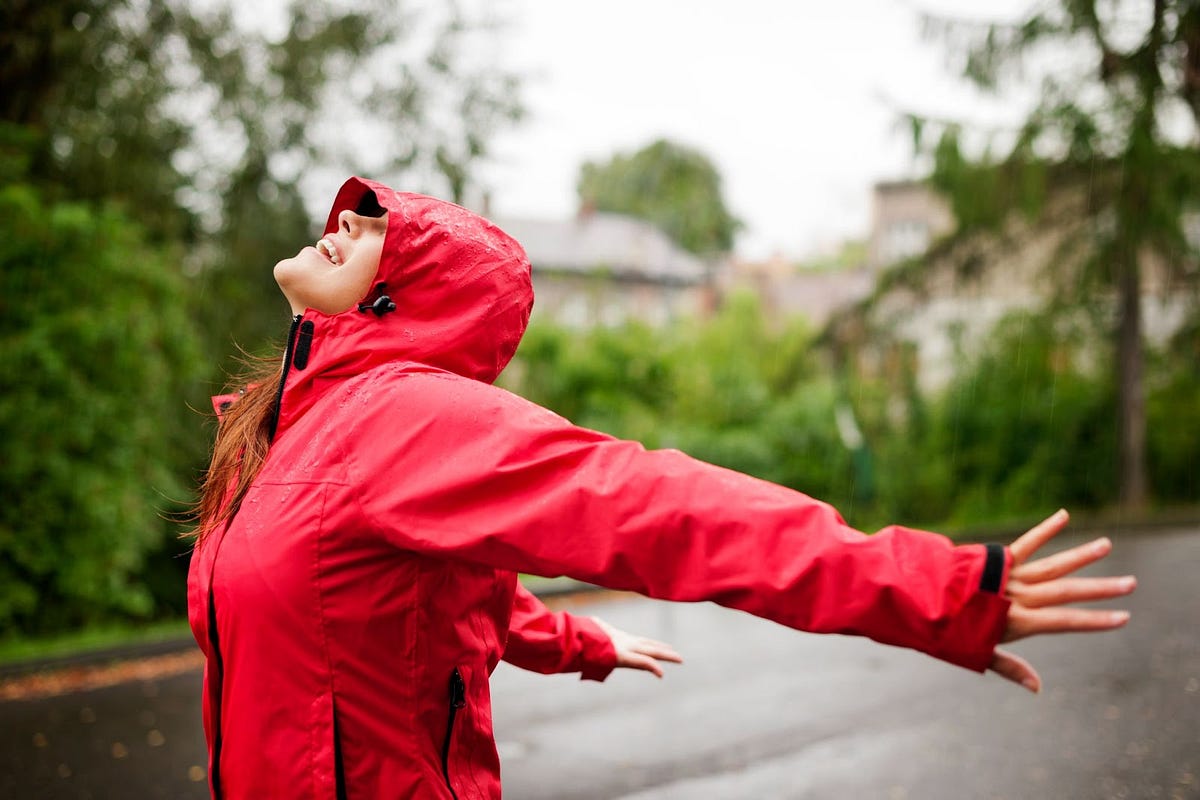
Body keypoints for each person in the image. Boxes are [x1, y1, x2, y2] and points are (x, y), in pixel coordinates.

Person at [187, 177, 1135, 800]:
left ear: (410, 293)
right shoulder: (279, 428)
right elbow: (405, 596)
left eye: (375, 226)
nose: (343, 222)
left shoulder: (403, 420)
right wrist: (577, 639)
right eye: (348, 214)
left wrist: (935, 591)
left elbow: (661, 506)